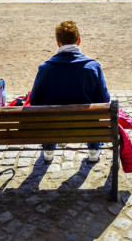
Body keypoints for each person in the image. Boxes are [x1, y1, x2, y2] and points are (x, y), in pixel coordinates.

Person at [27, 21, 110, 163]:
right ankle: (94, 149)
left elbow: (34, 101)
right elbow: (104, 99)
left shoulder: (45, 69)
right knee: (94, 113)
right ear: (79, 41)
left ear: (58, 43)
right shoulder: (92, 67)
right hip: (87, 126)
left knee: (47, 115)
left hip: (53, 126)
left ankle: (48, 149)